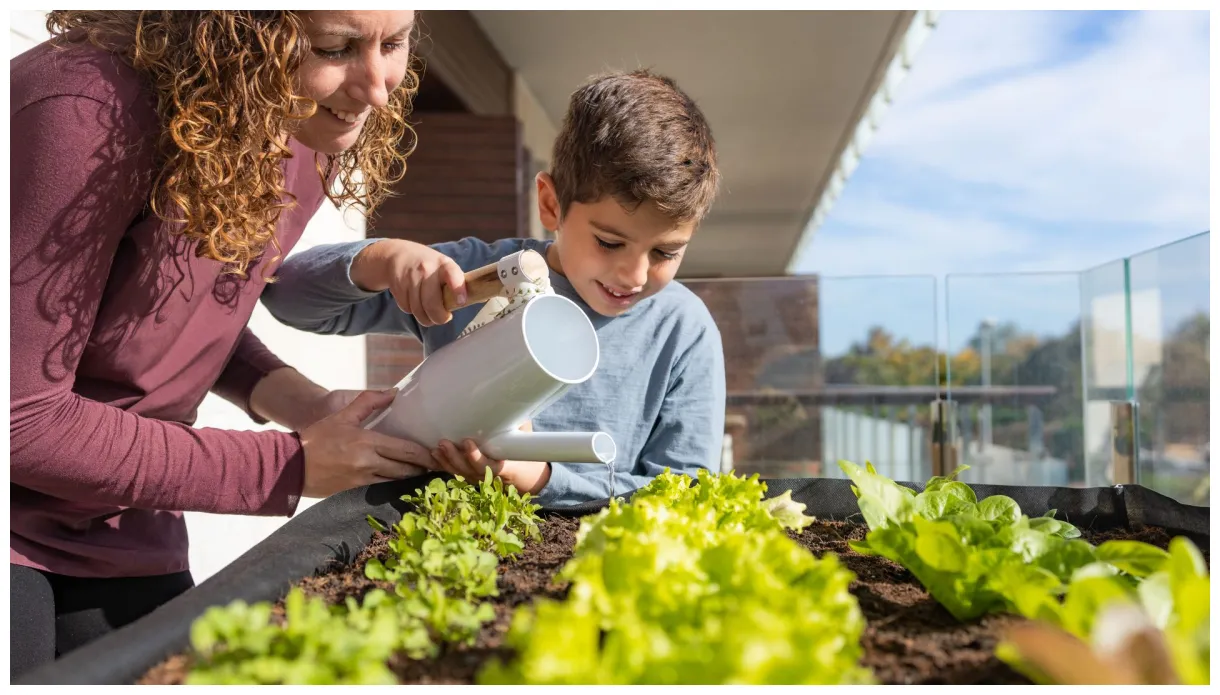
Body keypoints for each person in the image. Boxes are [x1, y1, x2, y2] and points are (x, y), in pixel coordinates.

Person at [9, 10, 431, 677]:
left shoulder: (296, 124)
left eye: (395, 43)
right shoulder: (83, 111)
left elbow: (173, 314)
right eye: (336, 48)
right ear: (235, 31)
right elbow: (20, 418)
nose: (378, 87)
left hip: (122, 527)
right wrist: (287, 467)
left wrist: (314, 408)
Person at [261, 69, 728, 507]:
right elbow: (285, 298)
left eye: (665, 253)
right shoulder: (484, 275)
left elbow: (686, 497)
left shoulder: (683, 330)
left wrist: (543, 479)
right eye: (609, 242)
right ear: (550, 204)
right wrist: (380, 261)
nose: (635, 275)